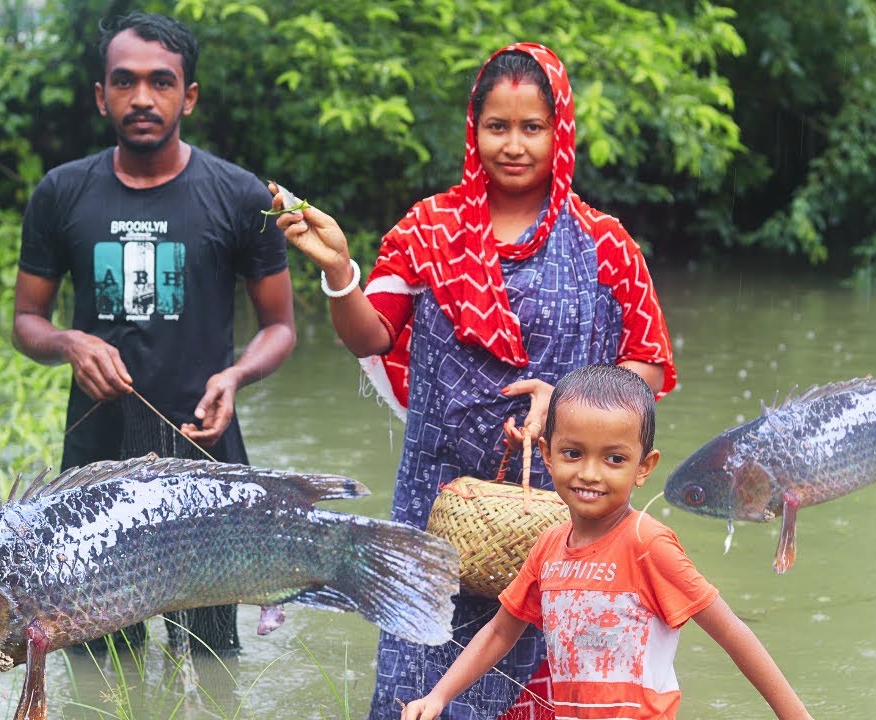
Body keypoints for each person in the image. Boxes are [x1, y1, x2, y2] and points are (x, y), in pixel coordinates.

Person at [275, 43, 677, 719]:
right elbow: (371, 333)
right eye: (497, 127)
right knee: (415, 685)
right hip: (433, 508)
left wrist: (566, 401)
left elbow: (648, 362)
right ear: (474, 130)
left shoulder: (604, 244)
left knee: (548, 686)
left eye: (531, 128)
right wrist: (341, 271)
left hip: (560, 508)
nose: (513, 145)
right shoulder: (428, 230)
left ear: (561, 133)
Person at [12, 11, 296, 655]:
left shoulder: (238, 194)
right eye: (124, 81)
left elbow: (280, 327)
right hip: (94, 465)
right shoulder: (61, 193)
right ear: (100, 95)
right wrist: (68, 342)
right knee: (97, 660)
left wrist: (235, 375)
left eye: (161, 82)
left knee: (212, 655)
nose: (142, 97)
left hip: (204, 451)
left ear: (188, 96)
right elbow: (26, 322)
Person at [401, 364, 814, 720]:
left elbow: (731, 632)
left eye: (614, 459)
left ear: (644, 466)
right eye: (573, 453)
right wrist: (438, 696)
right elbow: (499, 633)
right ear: (547, 454)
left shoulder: (647, 544)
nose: (591, 474)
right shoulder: (548, 548)